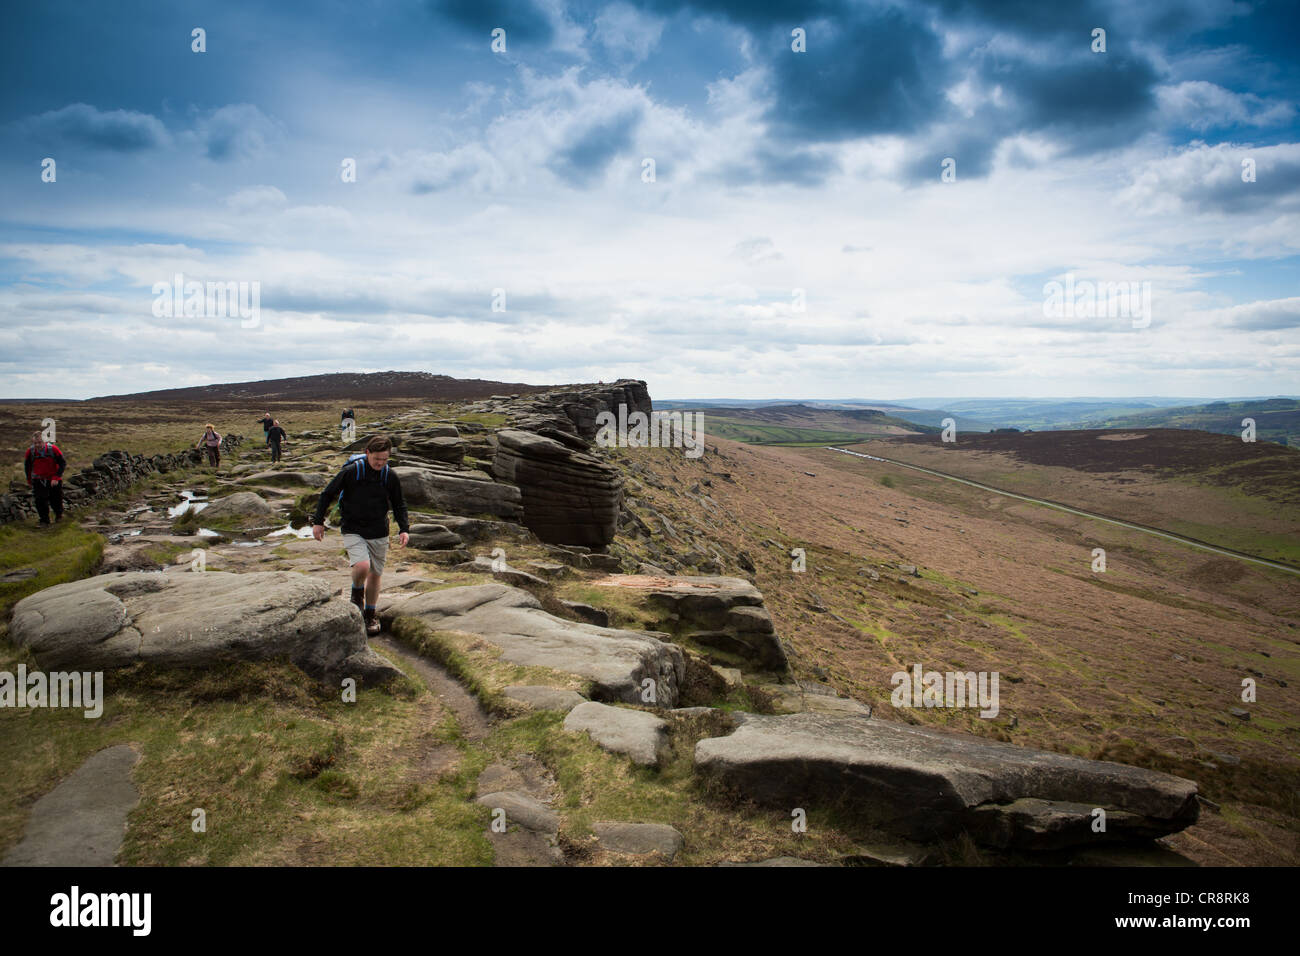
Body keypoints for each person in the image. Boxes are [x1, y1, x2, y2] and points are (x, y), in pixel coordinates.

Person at [311, 435, 409, 635]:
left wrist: (404, 528)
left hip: (379, 530)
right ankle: (357, 595)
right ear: (367, 453)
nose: (380, 463)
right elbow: (327, 494)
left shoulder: (389, 475)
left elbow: (399, 503)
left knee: (375, 574)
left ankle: (370, 614)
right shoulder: (352, 471)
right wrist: (318, 522)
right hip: (353, 528)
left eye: (384, 460)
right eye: (376, 459)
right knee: (363, 565)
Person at [25, 431, 66, 526]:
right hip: (38, 479)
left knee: (56, 499)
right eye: (35, 443)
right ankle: (44, 520)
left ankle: (59, 515)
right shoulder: (30, 452)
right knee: (40, 500)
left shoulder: (53, 449)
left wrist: (56, 477)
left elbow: (62, 463)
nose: (37, 445)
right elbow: (27, 466)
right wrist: (29, 479)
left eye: (39, 442)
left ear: (45, 441)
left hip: (53, 479)